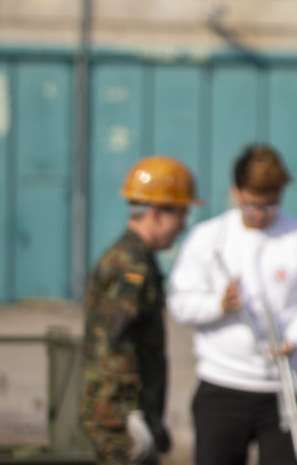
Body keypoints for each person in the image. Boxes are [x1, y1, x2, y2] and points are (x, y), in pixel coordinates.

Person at [169, 144, 297, 465]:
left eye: (270, 206)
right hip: (222, 384)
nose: (260, 215)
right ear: (236, 193)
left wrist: (296, 337)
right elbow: (180, 303)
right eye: (252, 206)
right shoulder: (209, 238)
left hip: (284, 387)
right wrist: (218, 304)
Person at [80, 155, 202, 464]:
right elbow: (114, 342)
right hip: (117, 415)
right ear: (158, 213)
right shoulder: (129, 265)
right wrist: (127, 413)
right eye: (181, 214)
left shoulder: (136, 259)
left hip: (126, 409)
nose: (183, 226)